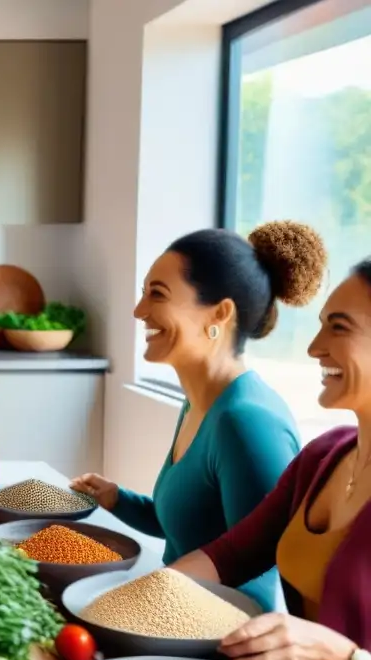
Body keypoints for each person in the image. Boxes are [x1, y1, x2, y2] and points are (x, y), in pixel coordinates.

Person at [70, 222, 328, 613]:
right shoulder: (199, 402)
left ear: (220, 313)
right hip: (179, 610)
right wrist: (117, 499)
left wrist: (143, 608)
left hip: (220, 633)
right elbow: (192, 530)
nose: (139, 311)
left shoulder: (245, 423)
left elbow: (254, 567)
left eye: (157, 294)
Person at [171, 259, 371, 660]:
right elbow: (232, 555)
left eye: (338, 328)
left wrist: (339, 654)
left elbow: (334, 652)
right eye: (319, 327)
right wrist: (144, 597)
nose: (315, 348)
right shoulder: (325, 456)